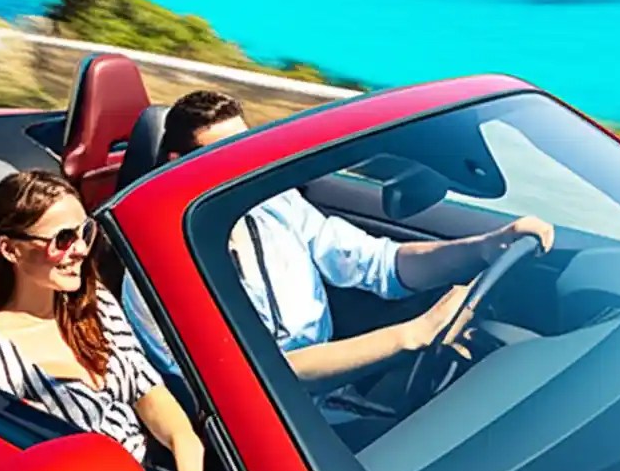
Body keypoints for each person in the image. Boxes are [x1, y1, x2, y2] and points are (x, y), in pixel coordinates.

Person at [121, 90, 554, 416]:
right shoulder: (153, 279)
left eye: (244, 151)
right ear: (176, 164)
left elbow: (379, 264)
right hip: (271, 436)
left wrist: (483, 247)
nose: (240, 169)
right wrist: (412, 336)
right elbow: (252, 382)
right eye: (221, 157)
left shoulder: (276, 208)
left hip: (338, 400)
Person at [0, 169, 204, 471]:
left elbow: (162, 409)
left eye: (85, 232)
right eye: (63, 239)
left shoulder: (97, 306)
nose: (81, 249)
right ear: (11, 250)